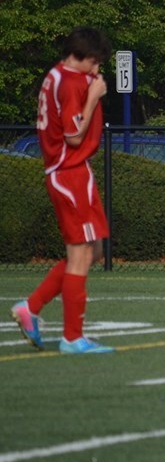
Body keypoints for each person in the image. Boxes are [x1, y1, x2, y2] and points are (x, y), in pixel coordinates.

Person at [10, 27, 115, 355]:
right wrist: (94, 96)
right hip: (69, 172)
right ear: (81, 56)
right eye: (94, 62)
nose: (97, 69)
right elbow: (74, 136)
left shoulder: (58, 74)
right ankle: (72, 337)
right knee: (81, 255)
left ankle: (31, 307)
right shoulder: (70, 82)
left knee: (93, 251)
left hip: (72, 171)